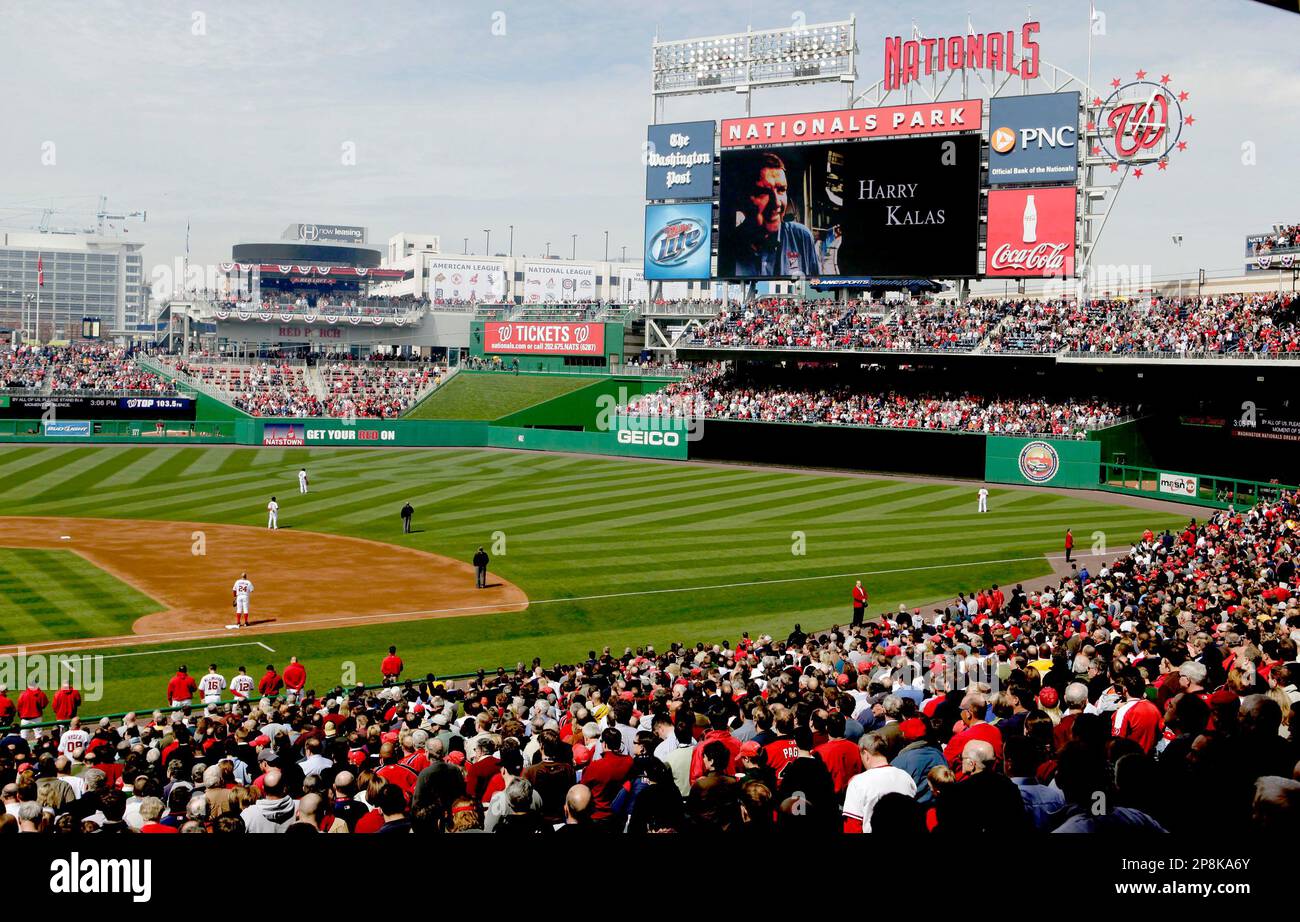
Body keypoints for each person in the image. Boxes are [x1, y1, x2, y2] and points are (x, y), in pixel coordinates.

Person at [718, 151, 820, 278]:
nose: (776, 202)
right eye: (763, 192)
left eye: (781, 190)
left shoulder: (801, 238)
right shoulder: (727, 247)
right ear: (742, 199)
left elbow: (816, 284)